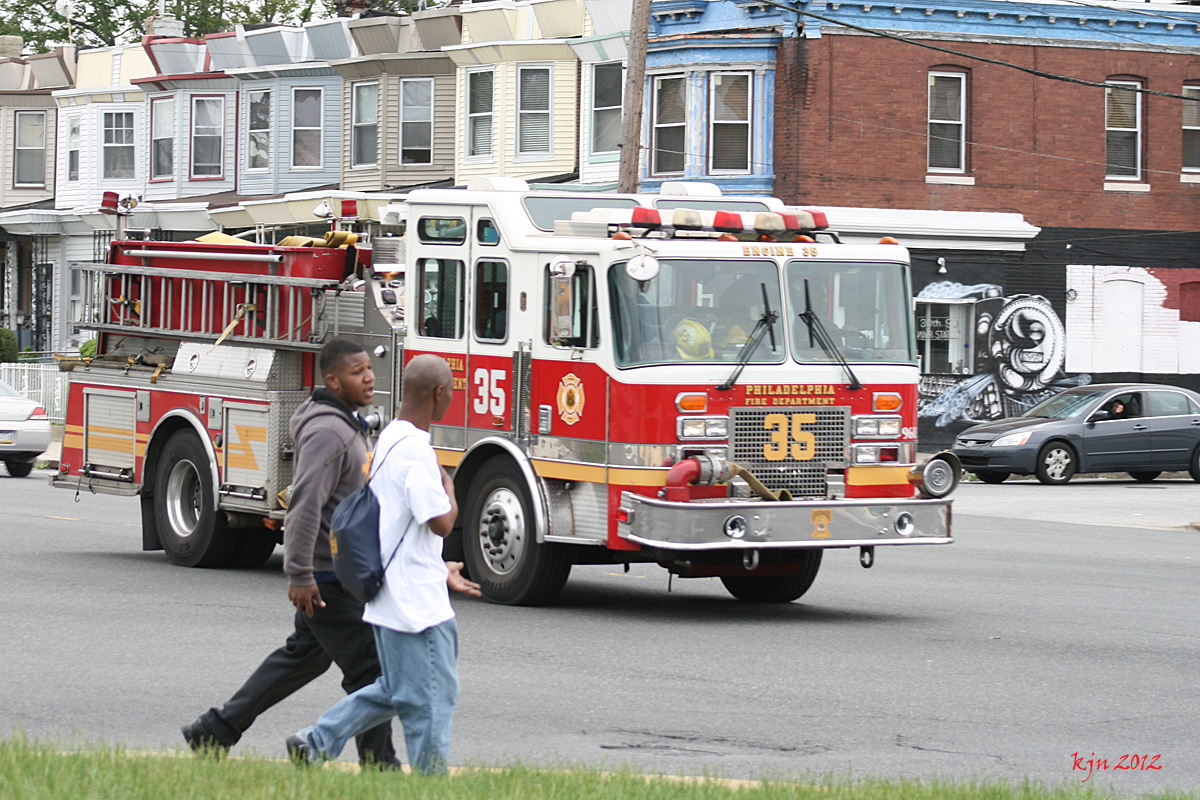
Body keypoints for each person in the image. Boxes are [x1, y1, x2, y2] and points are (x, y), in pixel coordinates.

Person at [182, 339, 477, 766]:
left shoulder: (349, 425)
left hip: (337, 569)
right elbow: (304, 503)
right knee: (373, 671)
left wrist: (430, 563)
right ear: (333, 381)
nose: (369, 377)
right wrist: (300, 574)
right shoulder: (328, 431)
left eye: (369, 368)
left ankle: (216, 730)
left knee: (303, 658)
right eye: (358, 372)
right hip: (329, 576)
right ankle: (377, 764)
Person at [286, 354, 463, 775]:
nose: (451, 400)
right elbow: (440, 522)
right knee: (433, 697)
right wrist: (451, 490)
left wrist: (441, 567)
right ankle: (431, 781)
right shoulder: (416, 451)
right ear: (439, 393)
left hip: (387, 596)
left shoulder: (389, 437)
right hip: (417, 606)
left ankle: (314, 742)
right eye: (452, 393)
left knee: (395, 690)